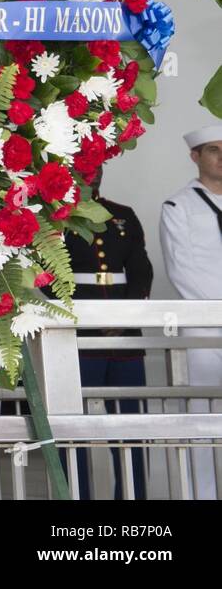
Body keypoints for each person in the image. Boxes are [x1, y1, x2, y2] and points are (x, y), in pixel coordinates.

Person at [48, 164, 152, 499]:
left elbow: (140, 269)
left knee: (131, 431)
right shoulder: (54, 218)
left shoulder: (122, 215)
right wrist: (80, 316)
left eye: (96, 167)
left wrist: (126, 313)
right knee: (72, 430)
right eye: (82, 168)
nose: (91, 174)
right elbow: (47, 276)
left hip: (123, 336)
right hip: (76, 334)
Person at [160, 124, 222, 500]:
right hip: (204, 327)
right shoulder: (177, 205)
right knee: (202, 418)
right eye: (213, 150)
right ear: (195, 157)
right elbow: (182, 269)